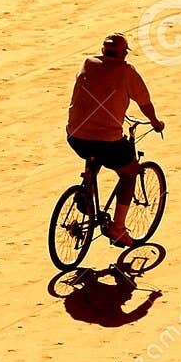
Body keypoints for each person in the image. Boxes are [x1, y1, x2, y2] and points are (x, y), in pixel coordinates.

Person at [66, 33, 165, 246]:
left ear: (103, 51)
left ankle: (87, 191)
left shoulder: (87, 63)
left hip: (75, 135)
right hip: (107, 140)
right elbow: (145, 103)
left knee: (94, 149)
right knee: (129, 172)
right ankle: (118, 228)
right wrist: (155, 122)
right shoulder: (127, 72)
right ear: (124, 53)